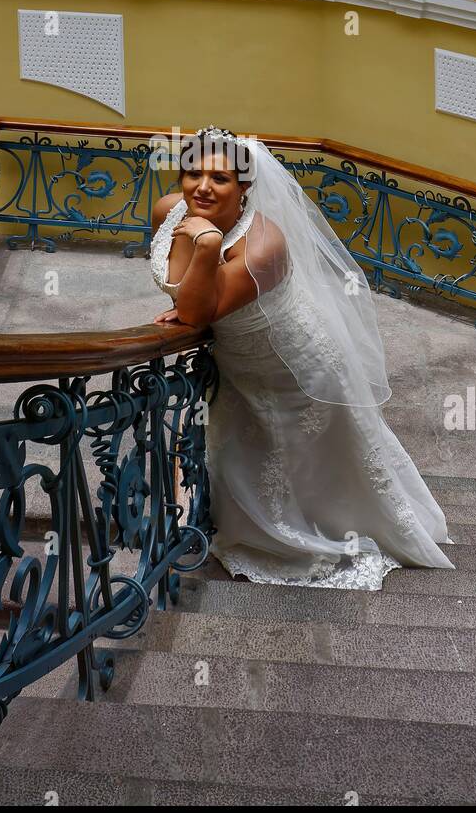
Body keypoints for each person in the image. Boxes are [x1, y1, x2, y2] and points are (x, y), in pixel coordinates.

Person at [150, 126, 455, 589]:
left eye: (221, 178)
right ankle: (238, 519)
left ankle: (339, 529)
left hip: (296, 363)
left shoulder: (266, 246)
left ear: (246, 186)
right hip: (239, 357)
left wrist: (209, 244)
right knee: (251, 442)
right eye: (192, 173)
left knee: (316, 459)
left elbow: (194, 311)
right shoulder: (170, 211)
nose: (203, 187)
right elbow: (181, 284)